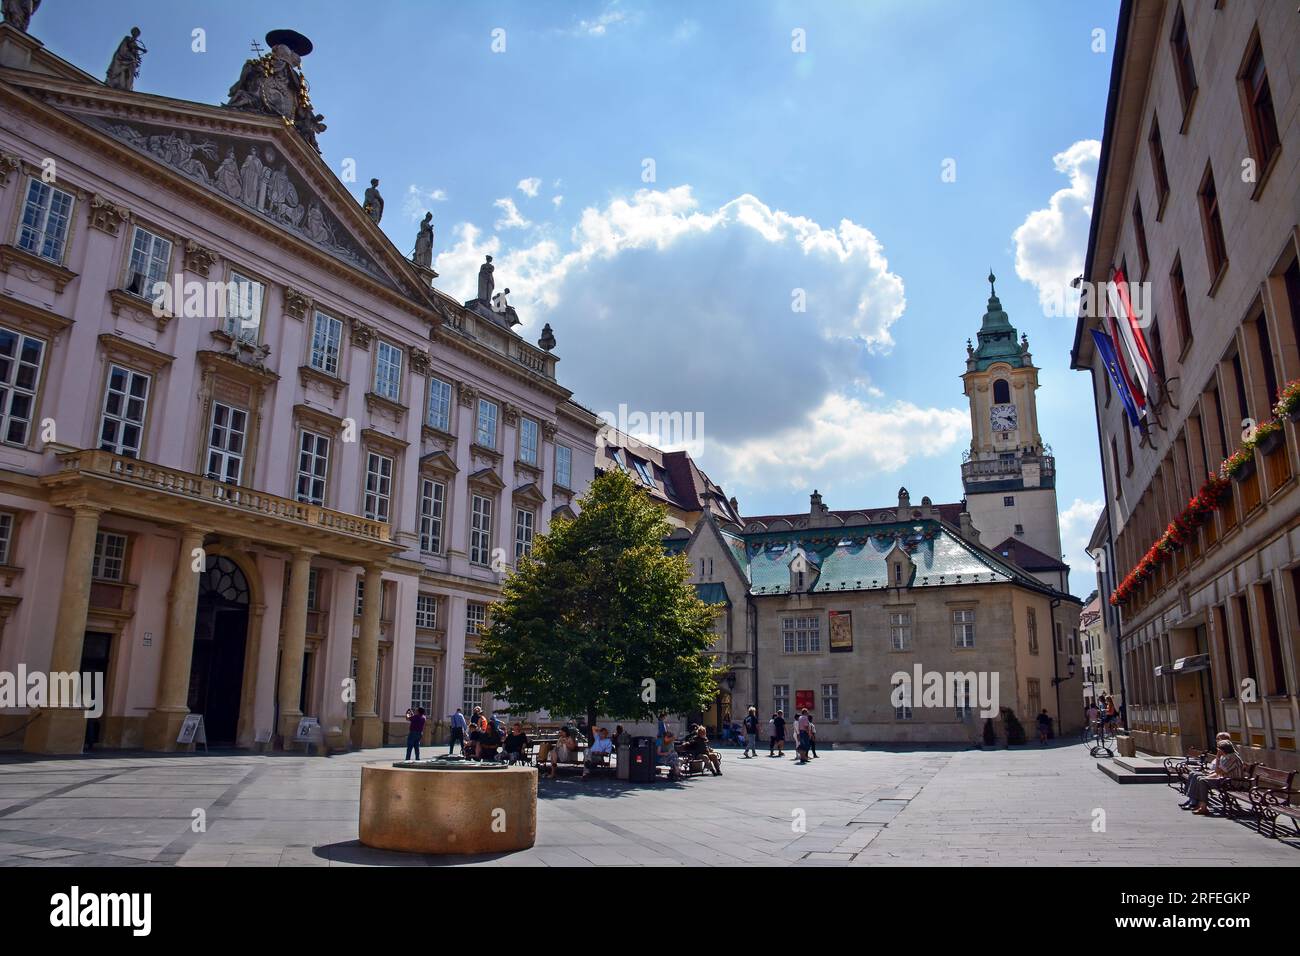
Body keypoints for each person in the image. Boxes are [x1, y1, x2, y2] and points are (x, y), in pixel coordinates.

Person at [1186, 740, 1245, 815]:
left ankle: (1203, 807)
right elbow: (1218, 772)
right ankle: (1196, 802)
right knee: (1199, 777)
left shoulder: (1233, 758)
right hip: (1224, 780)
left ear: (1223, 750)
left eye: (1219, 749)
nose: (1218, 751)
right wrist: (1209, 776)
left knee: (1203, 781)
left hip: (1232, 782)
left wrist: (1218, 757)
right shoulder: (1227, 756)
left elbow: (1218, 771)